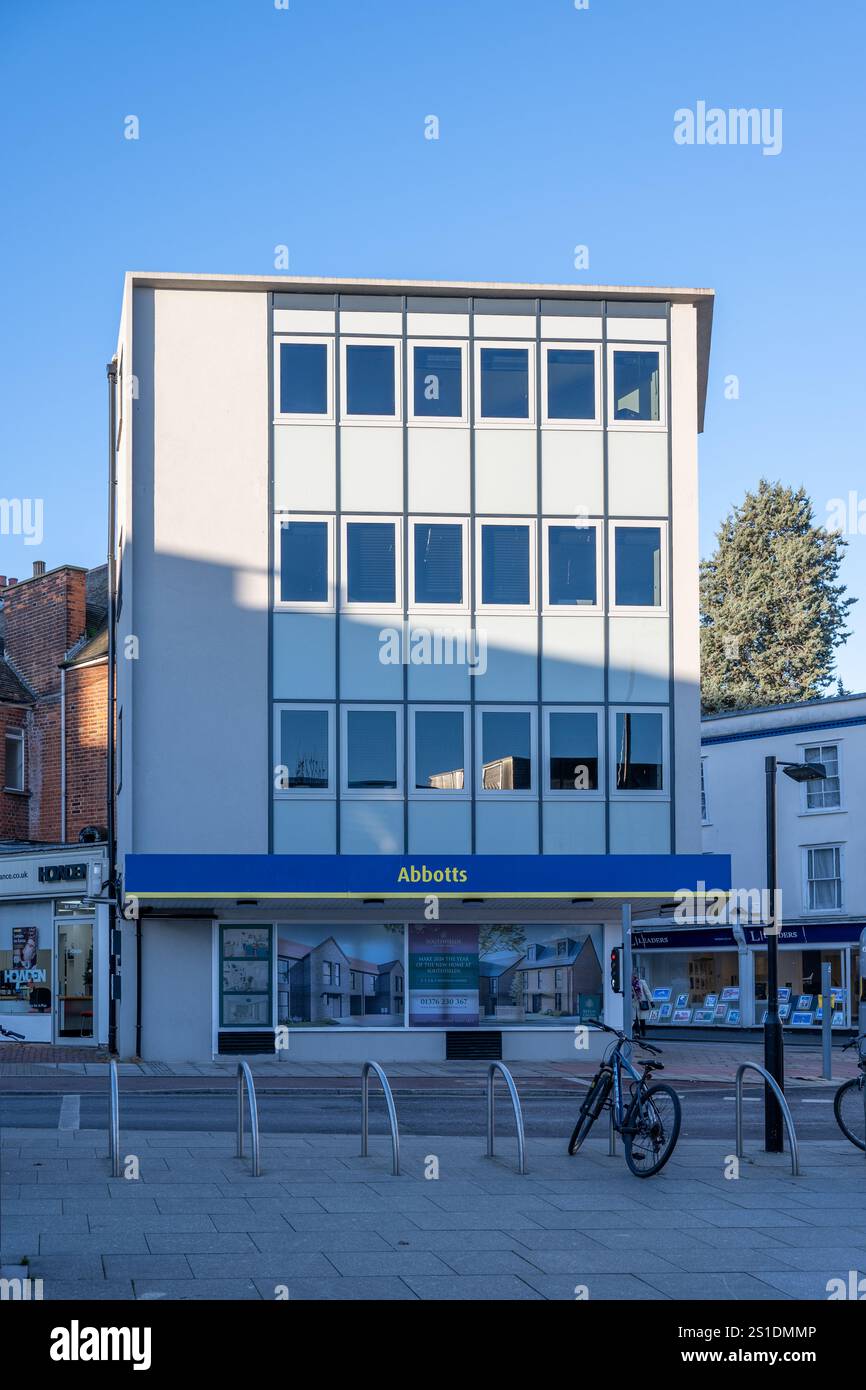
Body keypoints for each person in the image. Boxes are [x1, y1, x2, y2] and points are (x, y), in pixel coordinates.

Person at [632, 973, 653, 1038]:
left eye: (633, 976)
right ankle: (637, 1033)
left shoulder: (641, 982)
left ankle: (643, 1031)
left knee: (642, 1019)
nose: (632, 977)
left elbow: (647, 992)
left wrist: (651, 1001)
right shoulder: (628, 983)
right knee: (635, 1019)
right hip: (633, 1004)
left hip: (641, 1003)